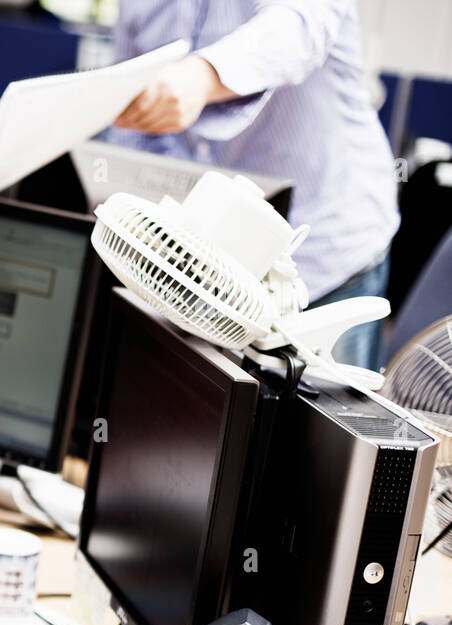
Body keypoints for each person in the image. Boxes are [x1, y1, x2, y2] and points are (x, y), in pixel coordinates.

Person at [109, 0, 399, 370]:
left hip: (326, 245)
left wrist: (203, 76)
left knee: (320, 422)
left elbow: (299, 27)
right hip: (221, 267)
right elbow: (137, 127)